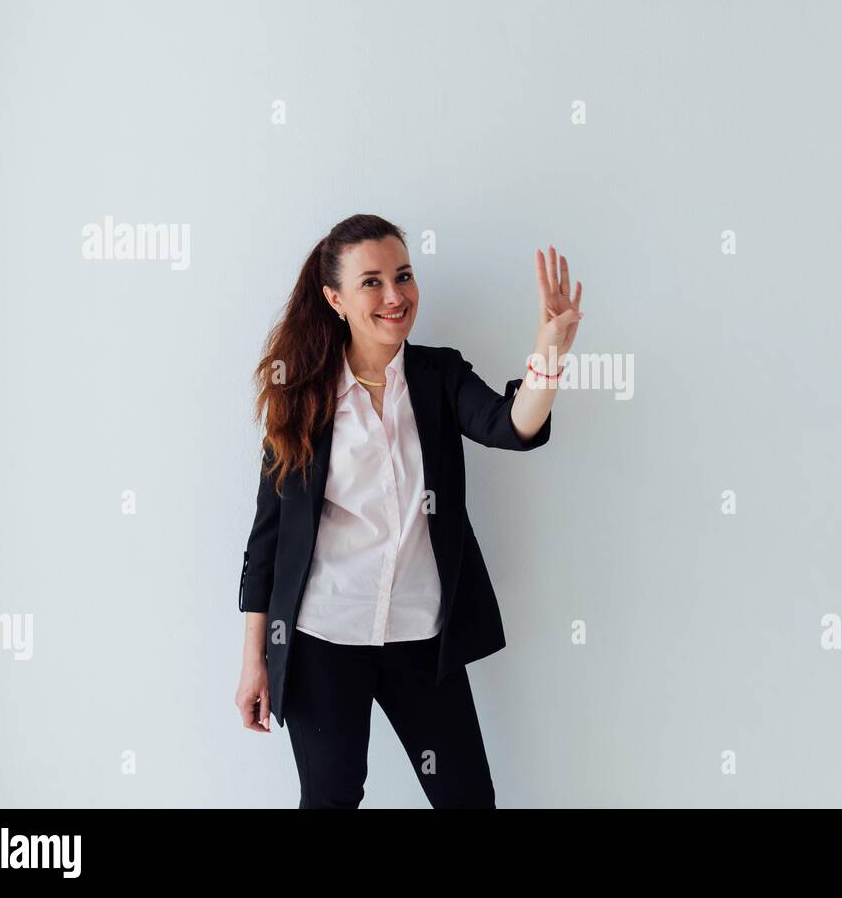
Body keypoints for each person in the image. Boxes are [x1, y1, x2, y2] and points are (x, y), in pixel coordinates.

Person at [233, 214, 583, 807]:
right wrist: (255, 661)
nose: (395, 296)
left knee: (467, 799)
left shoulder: (438, 375)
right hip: (324, 638)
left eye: (403, 275)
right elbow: (266, 542)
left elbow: (511, 426)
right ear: (335, 298)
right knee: (331, 799)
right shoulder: (301, 396)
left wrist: (547, 355)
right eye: (372, 282)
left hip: (422, 639)